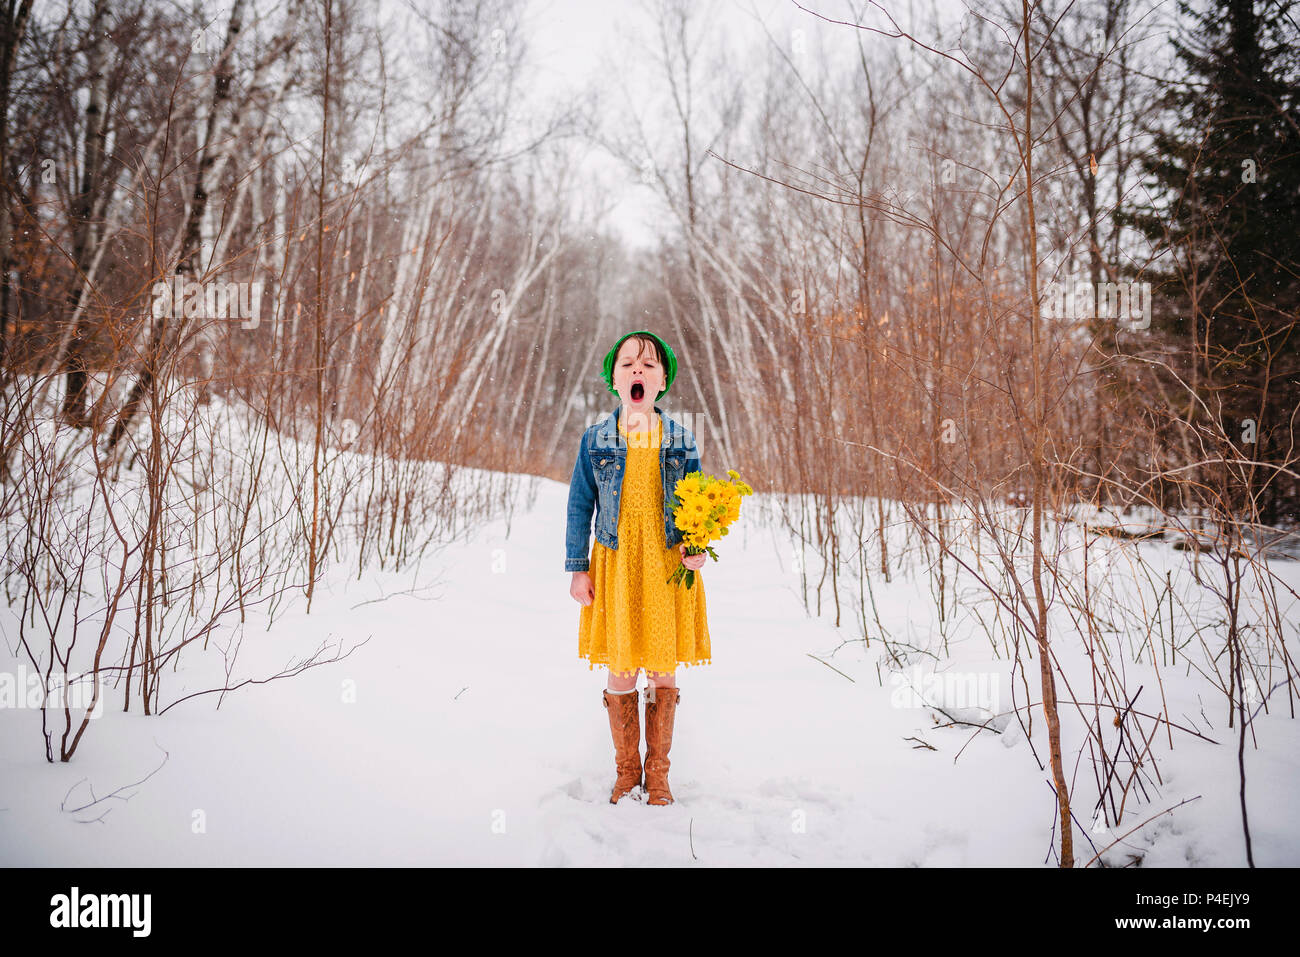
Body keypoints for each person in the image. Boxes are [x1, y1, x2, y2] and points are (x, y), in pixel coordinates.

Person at [565, 330, 711, 806]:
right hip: (616, 562)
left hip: (667, 565)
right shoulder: (597, 439)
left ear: (662, 380)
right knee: (622, 667)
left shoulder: (682, 439)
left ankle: (659, 774)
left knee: (662, 668)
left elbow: (697, 504)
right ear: (614, 378)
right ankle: (627, 771)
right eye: (628, 364)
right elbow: (579, 505)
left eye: (648, 365)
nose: (638, 371)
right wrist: (577, 567)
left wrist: (698, 546)